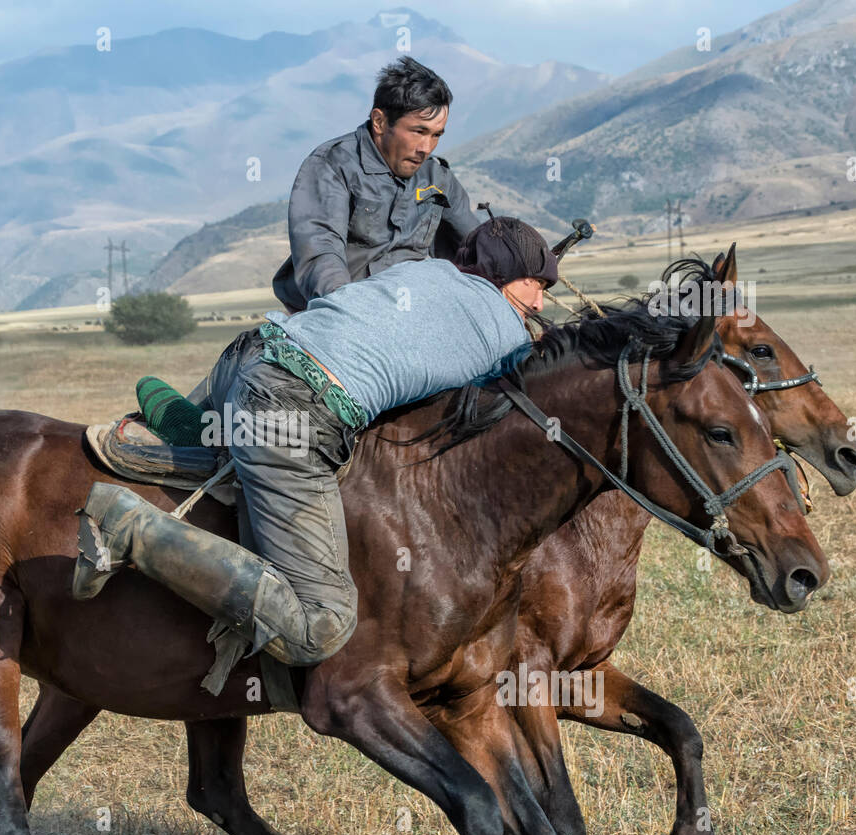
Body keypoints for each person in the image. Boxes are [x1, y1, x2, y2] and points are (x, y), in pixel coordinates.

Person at [73, 217, 558, 691]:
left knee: (219, 435)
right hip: (290, 412)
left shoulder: (426, 270)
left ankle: (190, 424)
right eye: (534, 284)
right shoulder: (508, 335)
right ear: (499, 277)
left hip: (250, 353)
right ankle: (130, 530)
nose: (539, 301)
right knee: (318, 625)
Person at [270, 55, 481, 314]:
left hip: (411, 312)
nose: (426, 148)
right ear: (380, 121)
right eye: (418, 132)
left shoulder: (437, 178)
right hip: (339, 314)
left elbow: (478, 246)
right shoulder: (333, 165)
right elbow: (320, 254)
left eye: (436, 135)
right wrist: (350, 312)